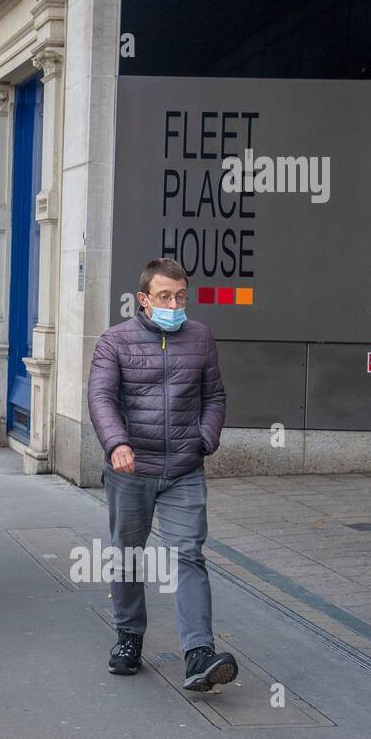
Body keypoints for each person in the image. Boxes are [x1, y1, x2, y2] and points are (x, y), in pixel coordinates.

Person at [86, 257, 236, 692]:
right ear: (144, 300)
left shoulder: (200, 338)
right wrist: (117, 444)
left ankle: (198, 655)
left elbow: (215, 396)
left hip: (184, 470)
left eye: (181, 296)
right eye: (165, 296)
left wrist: (205, 439)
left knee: (189, 554)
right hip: (131, 469)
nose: (175, 303)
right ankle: (129, 638)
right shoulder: (114, 341)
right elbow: (100, 398)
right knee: (128, 554)